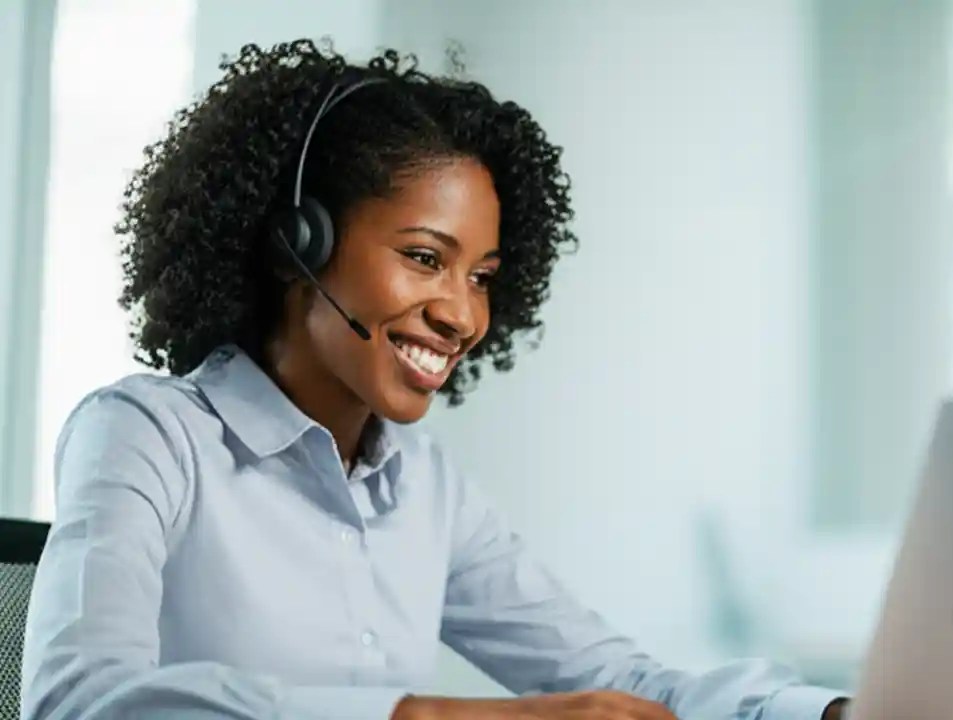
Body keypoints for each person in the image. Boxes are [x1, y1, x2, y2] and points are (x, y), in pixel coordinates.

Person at [20, 39, 850, 720]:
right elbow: (83, 701)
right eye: (425, 259)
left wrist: (831, 713)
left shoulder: (427, 490)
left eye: (483, 276)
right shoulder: (146, 433)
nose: (463, 316)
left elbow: (624, 682)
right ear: (298, 244)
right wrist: (422, 716)